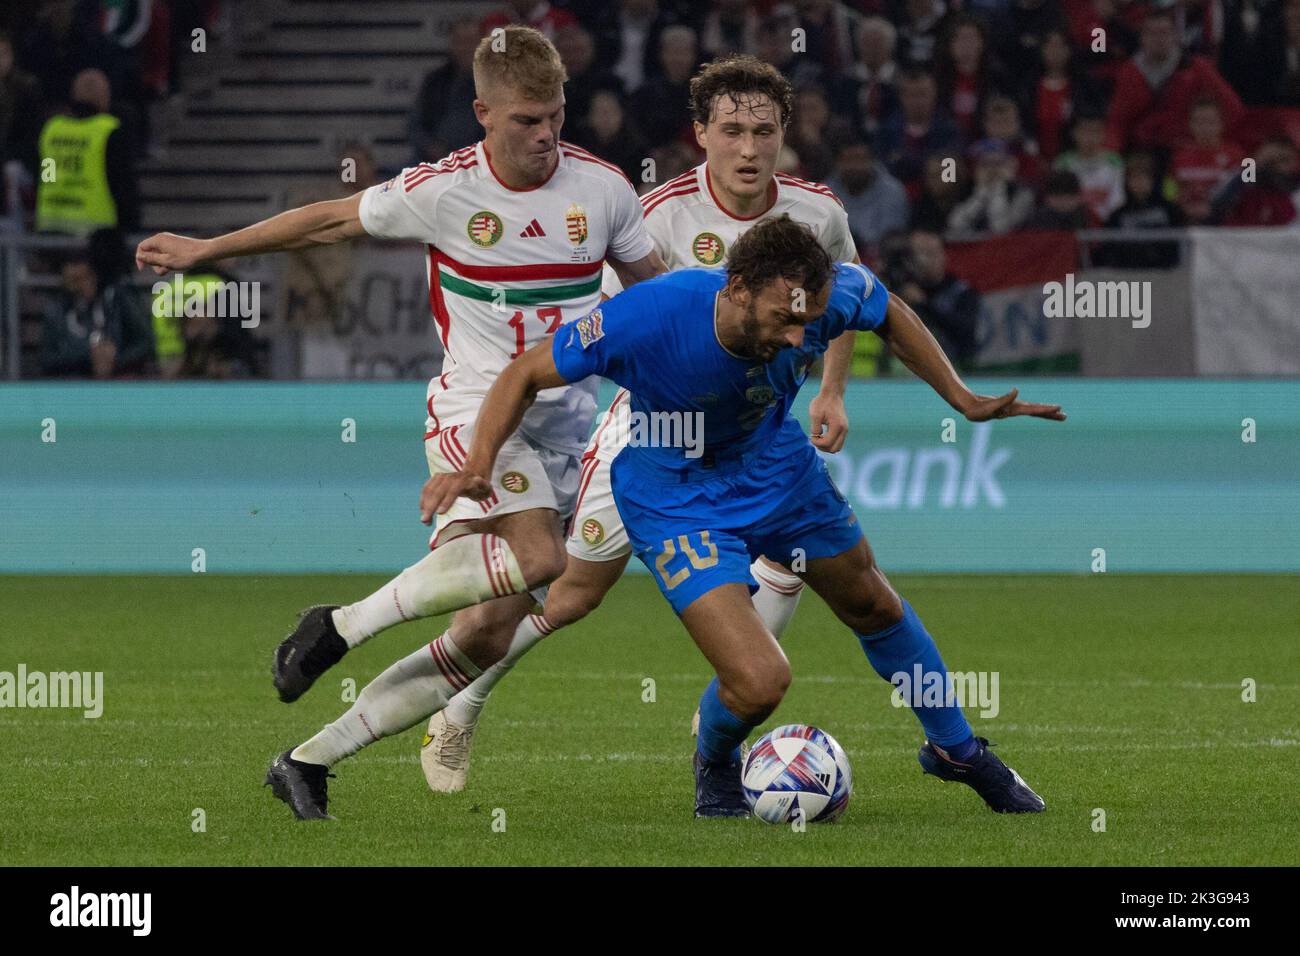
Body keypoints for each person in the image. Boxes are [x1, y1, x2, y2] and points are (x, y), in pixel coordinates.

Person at [135, 25, 666, 820]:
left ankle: (307, 760)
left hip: (563, 428)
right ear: (483, 112)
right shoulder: (445, 190)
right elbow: (327, 222)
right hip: (474, 409)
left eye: (556, 114)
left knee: (487, 632)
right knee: (541, 556)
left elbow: (654, 293)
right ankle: (340, 625)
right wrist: (212, 250)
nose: (547, 133)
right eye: (526, 119)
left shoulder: (604, 191)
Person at [427, 214, 1064, 816]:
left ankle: (956, 749)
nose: (798, 338)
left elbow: (886, 308)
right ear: (736, 288)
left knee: (874, 604)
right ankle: (715, 758)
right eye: (784, 322)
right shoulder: (651, 314)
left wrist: (963, 397)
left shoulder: (821, 297)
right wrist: (479, 462)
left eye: (808, 322)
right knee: (759, 683)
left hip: (776, 470)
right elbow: (524, 373)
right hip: (675, 496)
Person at [420, 54, 862, 795]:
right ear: (701, 134)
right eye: (732, 131)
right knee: (573, 594)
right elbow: (603, 328)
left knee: (798, 556)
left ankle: (721, 710)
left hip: (754, 437)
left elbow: (852, 296)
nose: (749, 148)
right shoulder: (658, 212)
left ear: (785, 132)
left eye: (764, 131)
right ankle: (461, 704)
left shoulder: (819, 214)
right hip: (652, 436)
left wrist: (832, 393)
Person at [35, 68, 140, 235]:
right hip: (98, 234)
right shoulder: (108, 131)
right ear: (104, 96)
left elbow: (47, 175)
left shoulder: (52, 130)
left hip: (52, 227)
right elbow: (122, 182)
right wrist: (132, 225)